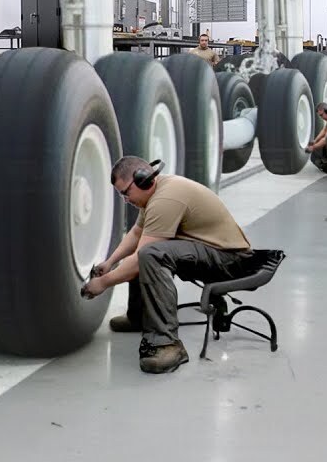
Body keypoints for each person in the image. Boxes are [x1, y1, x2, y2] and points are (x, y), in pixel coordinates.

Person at [81, 156, 255, 374]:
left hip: (231, 259)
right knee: (145, 251)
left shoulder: (166, 200)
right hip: (211, 250)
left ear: (144, 180)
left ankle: (167, 344)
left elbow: (140, 257)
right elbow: (136, 233)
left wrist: (103, 283)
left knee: (151, 254)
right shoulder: (154, 194)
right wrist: (110, 263)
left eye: (126, 193)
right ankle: (140, 317)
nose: (125, 199)